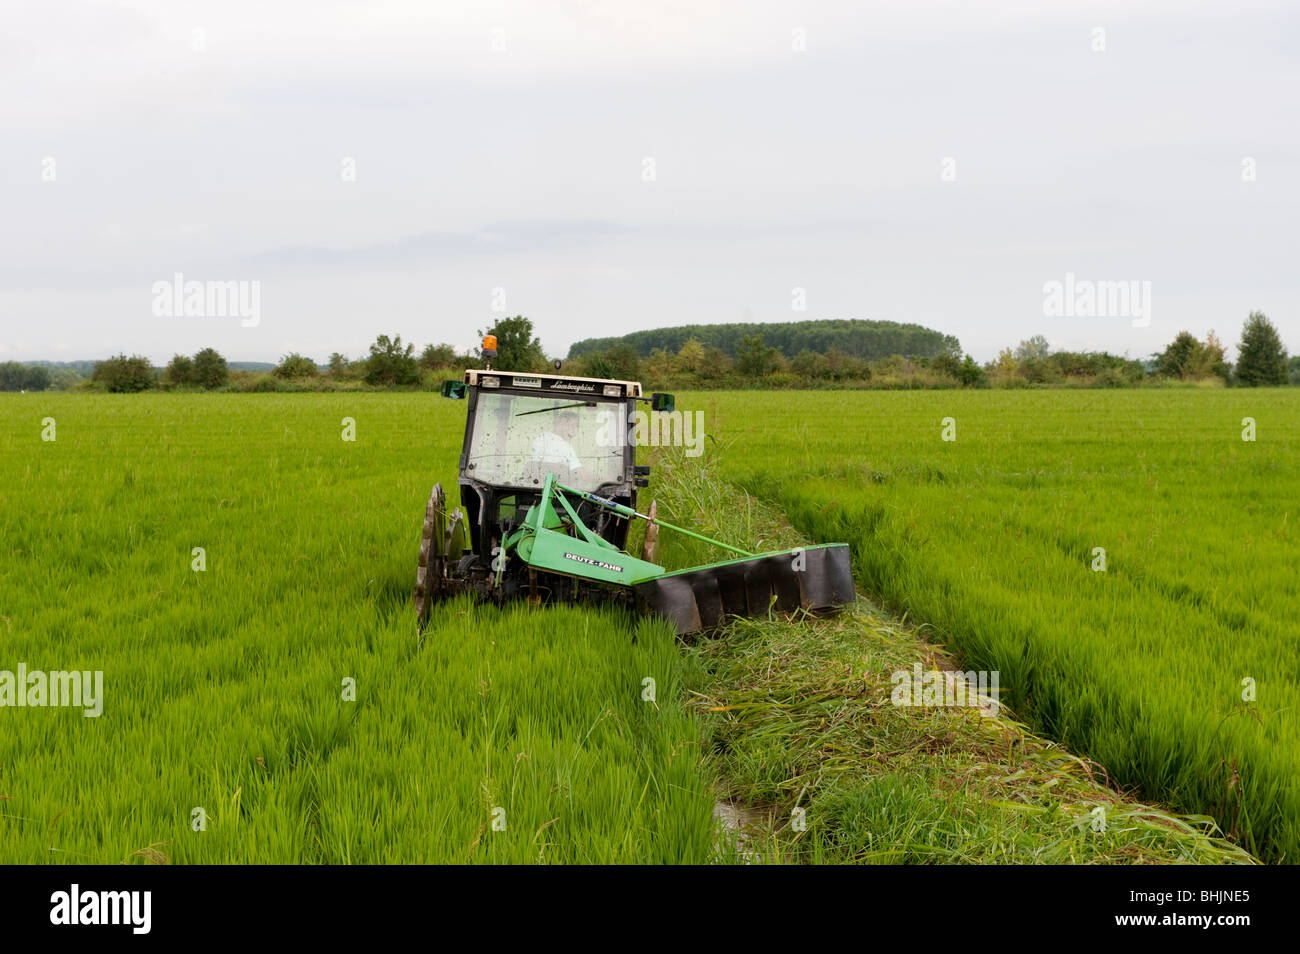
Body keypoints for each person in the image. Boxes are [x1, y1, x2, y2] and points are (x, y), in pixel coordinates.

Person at [530, 410, 589, 484]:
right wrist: (603, 479)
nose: (575, 432)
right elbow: (580, 473)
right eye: (572, 425)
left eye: (576, 427)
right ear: (561, 422)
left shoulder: (541, 437)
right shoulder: (563, 446)